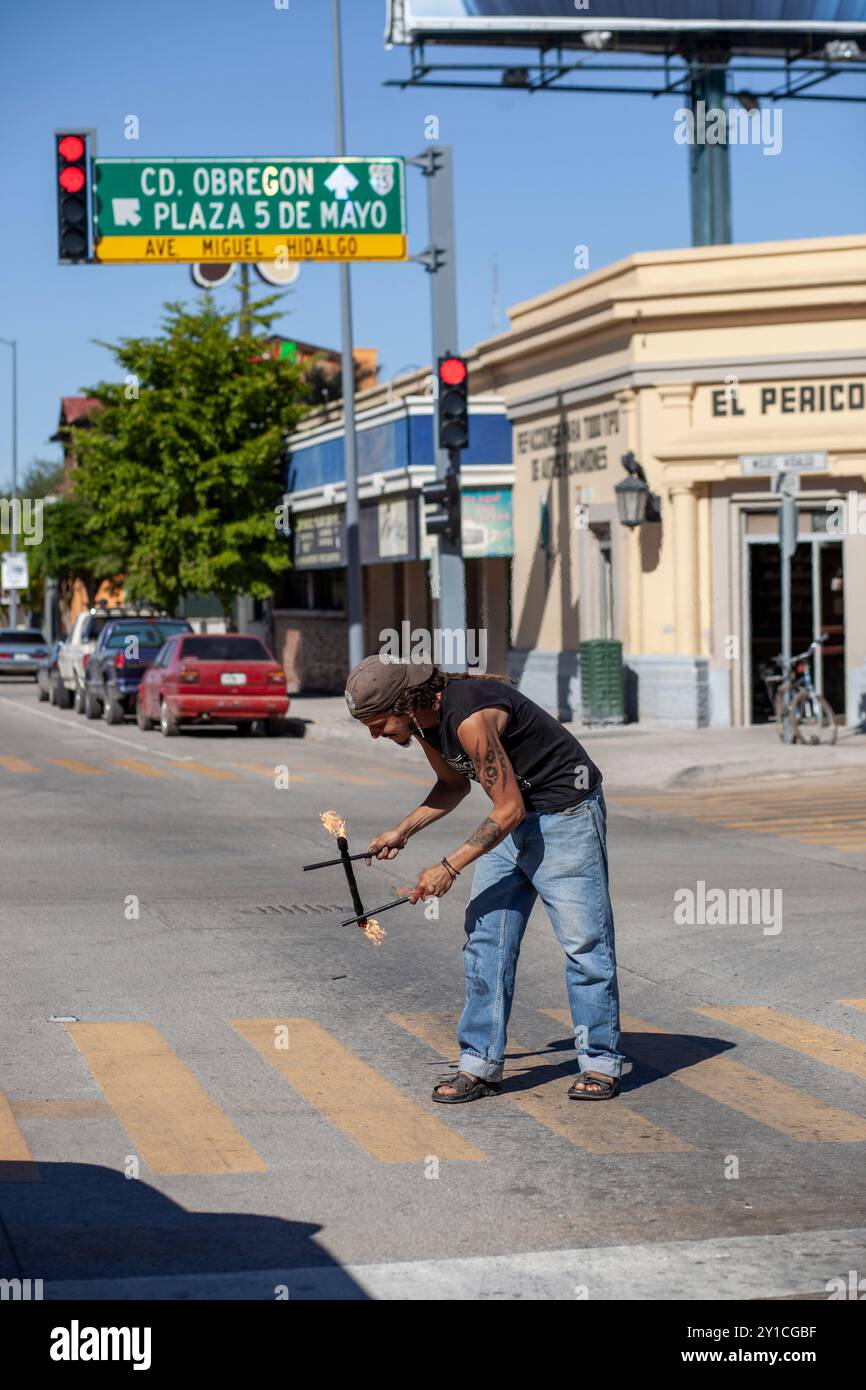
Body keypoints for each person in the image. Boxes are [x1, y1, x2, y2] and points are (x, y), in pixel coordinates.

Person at [344, 654, 626, 1104]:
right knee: (485, 940)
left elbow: (508, 808)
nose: (376, 734)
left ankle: (600, 1061)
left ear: (403, 702)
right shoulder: (424, 723)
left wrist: (449, 866)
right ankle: (480, 1064)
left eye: (377, 724)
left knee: (584, 944)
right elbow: (453, 785)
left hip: (566, 815)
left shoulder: (469, 718)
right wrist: (403, 830)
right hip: (514, 821)